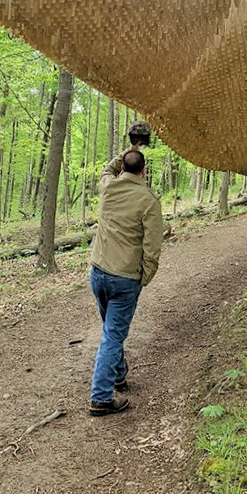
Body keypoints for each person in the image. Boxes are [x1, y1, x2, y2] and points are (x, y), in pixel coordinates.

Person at [89, 142, 164, 416]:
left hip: (98, 273)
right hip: (124, 279)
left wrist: (127, 150)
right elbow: (152, 246)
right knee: (112, 335)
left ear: (123, 167)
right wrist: (146, 276)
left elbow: (107, 170)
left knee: (111, 330)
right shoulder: (148, 200)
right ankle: (101, 397)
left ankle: (118, 374)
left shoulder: (109, 187)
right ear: (144, 171)